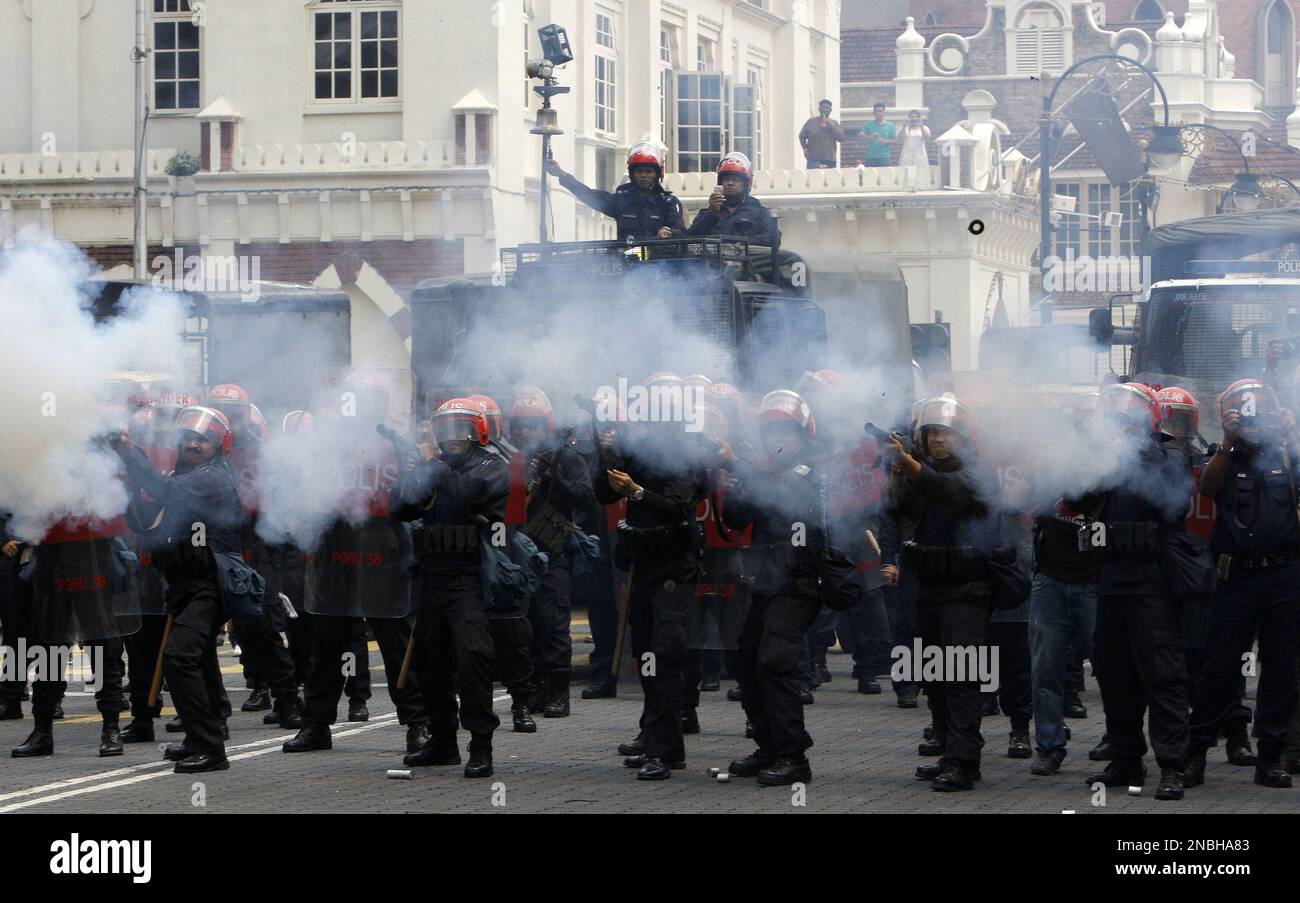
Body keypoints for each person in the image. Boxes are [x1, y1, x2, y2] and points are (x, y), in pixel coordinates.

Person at [113, 406, 245, 774]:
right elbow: (147, 521)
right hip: (183, 584)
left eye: (202, 440)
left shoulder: (211, 479)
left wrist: (128, 450)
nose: (193, 444)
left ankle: (209, 748)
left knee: (179, 656)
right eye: (187, 438)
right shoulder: (182, 477)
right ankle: (198, 736)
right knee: (198, 660)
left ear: (218, 446)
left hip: (209, 584)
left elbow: (163, 490)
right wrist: (129, 485)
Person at [1185, 380, 1300, 789]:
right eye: (1244, 418)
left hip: (1284, 577)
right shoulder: (1225, 455)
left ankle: (1270, 757)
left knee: (1281, 670)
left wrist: (1290, 436)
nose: (1254, 426)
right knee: (1219, 669)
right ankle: (1195, 753)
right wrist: (1228, 440)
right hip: (1238, 578)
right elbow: (1206, 486)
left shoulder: (1284, 454)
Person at [1085, 383, 1196, 801]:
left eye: (1126, 420)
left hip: (1152, 582)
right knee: (1114, 675)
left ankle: (1173, 765)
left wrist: (1129, 448)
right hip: (1111, 578)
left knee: (1162, 676)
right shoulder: (1105, 458)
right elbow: (1077, 498)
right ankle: (1126, 759)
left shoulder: (1171, 452)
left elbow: (1173, 497)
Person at [887, 395, 1003, 792]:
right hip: (930, 585)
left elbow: (943, 487)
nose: (938, 439)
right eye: (932, 432)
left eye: (947, 433)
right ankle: (949, 751)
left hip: (966, 588)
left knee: (962, 675)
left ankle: (964, 762)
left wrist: (907, 463)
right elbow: (899, 507)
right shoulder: (922, 471)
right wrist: (898, 471)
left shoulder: (978, 472)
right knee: (934, 675)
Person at [392, 398, 509, 778]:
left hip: (469, 578)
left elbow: (466, 495)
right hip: (432, 576)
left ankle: (481, 745)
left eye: (461, 428)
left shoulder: (492, 466)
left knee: (473, 658)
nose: (453, 436)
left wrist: (434, 469)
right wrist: (411, 472)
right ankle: (442, 742)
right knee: (430, 663)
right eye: (445, 429)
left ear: (478, 431)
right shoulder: (434, 466)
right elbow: (401, 508)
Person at [597, 380, 706, 781]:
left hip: (673, 570)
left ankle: (660, 749)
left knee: (664, 656)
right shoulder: (639, 451)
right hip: (642, 566)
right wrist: (607, 456)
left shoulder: (686, 452)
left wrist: (637, 492)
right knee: (646, 657)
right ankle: (663, 741)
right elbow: (604, 495)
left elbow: (676, 506)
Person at [722, 390, 827, 786]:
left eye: (785, 431)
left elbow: (787, 497)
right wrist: (736, 483)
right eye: (770, 432)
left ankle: (793, 756)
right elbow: (735, 517)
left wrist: (744, 469)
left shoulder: (811, 471)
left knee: (774, 661)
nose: (776, 439)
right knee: (746, 660)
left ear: (803, 434)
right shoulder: (761, 471)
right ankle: (768, 746)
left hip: (800, 584)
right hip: (767, 582)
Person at [511, 390, 596, 721]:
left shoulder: (566, 458)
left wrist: (555, 476)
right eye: (520, 426)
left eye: (532, 425)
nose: (525, 432)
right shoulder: (511, 457)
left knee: (553, 624)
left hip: (552, 551)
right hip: (518, 554)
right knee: (525, 625)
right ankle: (534, 689)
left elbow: (586, 497)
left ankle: (559, 691)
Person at [546, 142, 686, 242]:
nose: (644, 175)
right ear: (632, 174)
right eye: (639, 171)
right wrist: (562, 175)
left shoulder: (668, 202)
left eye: (648, 171)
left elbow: (681, 231)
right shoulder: (622, 200)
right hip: (626, 263)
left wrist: (668, 232)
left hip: (660, 263)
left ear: (657, 174)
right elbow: (590, 195)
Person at [687, 152, 781, 249]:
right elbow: (689, 238)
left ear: (746, 184)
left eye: (736, 179)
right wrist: (711, 213)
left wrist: (744, 243)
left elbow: (773, 238)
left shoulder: (759, 212)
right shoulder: (707, 213)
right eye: (726, 179)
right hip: (713, 258)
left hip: (747, 258)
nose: (730, 183)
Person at [800, 99, 846, 169]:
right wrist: (805, 150)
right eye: (822, 107)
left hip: (829, 159)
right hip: (813, 158)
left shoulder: (834, 123)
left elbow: (841, 138)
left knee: (830, 176)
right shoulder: (811, 122)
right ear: (819, 109)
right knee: (813, 175)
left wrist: (830, 125)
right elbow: (801, 136)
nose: (824, 110)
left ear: (830, 110)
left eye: (826, 108)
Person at [861, 102, 897, 167]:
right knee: (870, 173)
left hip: (885, 157)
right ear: (873, 113)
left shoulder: (890, 125)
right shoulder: (868, 124)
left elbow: (895, 140)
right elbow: (860, 136)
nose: (878, 113)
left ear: (884, 112)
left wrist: (884, 141)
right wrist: (870, 136)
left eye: (880, 111)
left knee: (885, 173)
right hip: (871, 157)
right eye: (877, 111)